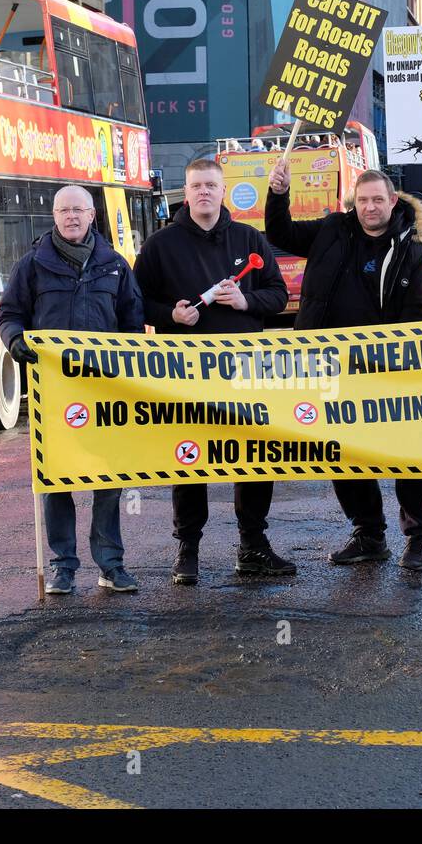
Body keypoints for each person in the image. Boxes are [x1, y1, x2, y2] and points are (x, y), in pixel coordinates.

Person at [265, 159, 422, 570]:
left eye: (378, 199)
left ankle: (416, 536)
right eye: (363, 200)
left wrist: (395, 358)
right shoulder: (331, 229)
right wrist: (278, 194)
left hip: (386, 370)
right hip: (328, 369)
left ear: (393, 201)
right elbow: (281, 233)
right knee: (342, 452)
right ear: (353, 202)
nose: (370, 207)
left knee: (405, 453)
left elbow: (415, 313)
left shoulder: (412, 247)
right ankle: (368, 535)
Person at [133, 158, 294, 585]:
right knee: (189, 459)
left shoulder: (249, 238)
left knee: (255, 459)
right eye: (196, 186)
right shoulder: (160, 245)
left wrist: (246, 303)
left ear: (224, 191)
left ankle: (253, 547)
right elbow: (134, 302)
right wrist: (170, 314)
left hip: (245, 373)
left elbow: (278, 295)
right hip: (185, 374)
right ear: (185, 193)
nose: (204, 192)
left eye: (211, 185)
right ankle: (187, 551)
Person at [0, 185, 144, 596]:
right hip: (53, 392)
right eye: (64, 210)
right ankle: (63, 565)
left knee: (108, 479)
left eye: (79, 209)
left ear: (92, 215)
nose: (72, 217)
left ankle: (110, 564)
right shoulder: (32, 266)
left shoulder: (115, 266)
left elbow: (133, 324)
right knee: (57, 478)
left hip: (106, 392)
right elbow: (9, 315)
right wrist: (15, 339)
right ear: (55, 216)